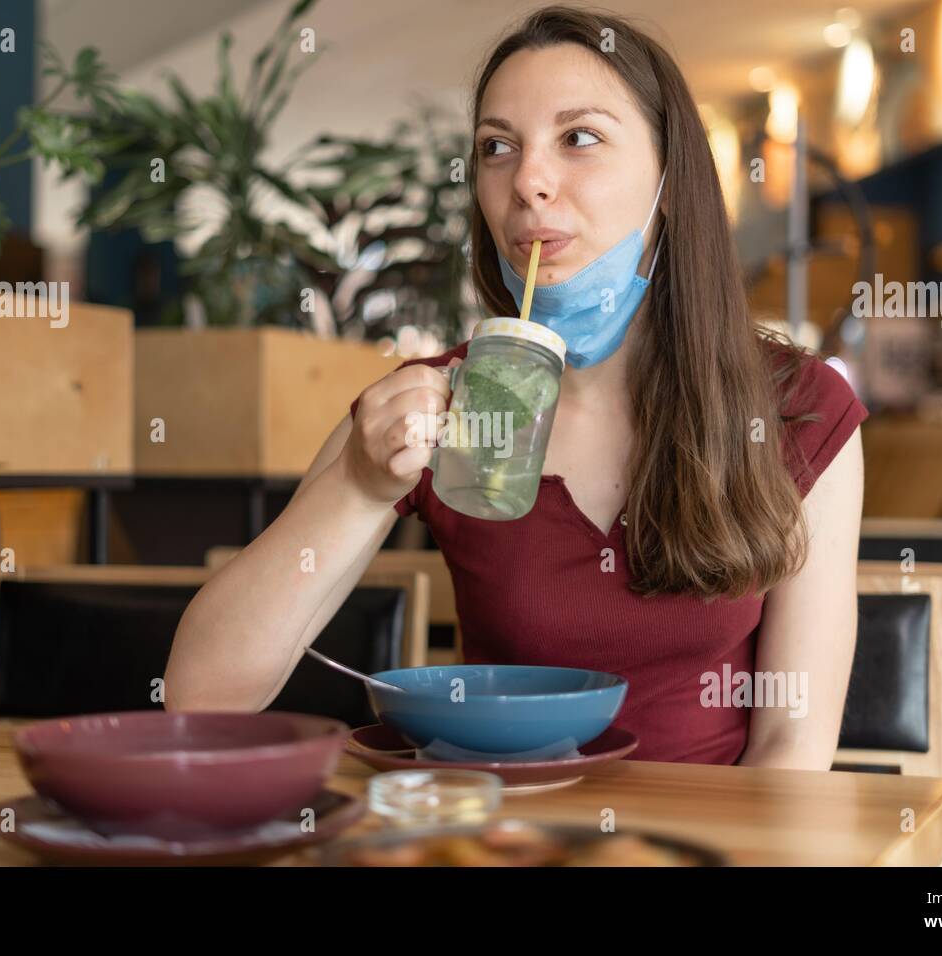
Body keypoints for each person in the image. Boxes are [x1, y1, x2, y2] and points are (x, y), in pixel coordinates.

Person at [166, 5, 868, 769]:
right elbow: (201, 695)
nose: (527, 181)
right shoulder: (441, 402)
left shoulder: (798, 409)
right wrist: (360, 488)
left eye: (580, 138)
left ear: (671, 180)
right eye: (497, 148)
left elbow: (792, 745)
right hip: (495, 837)